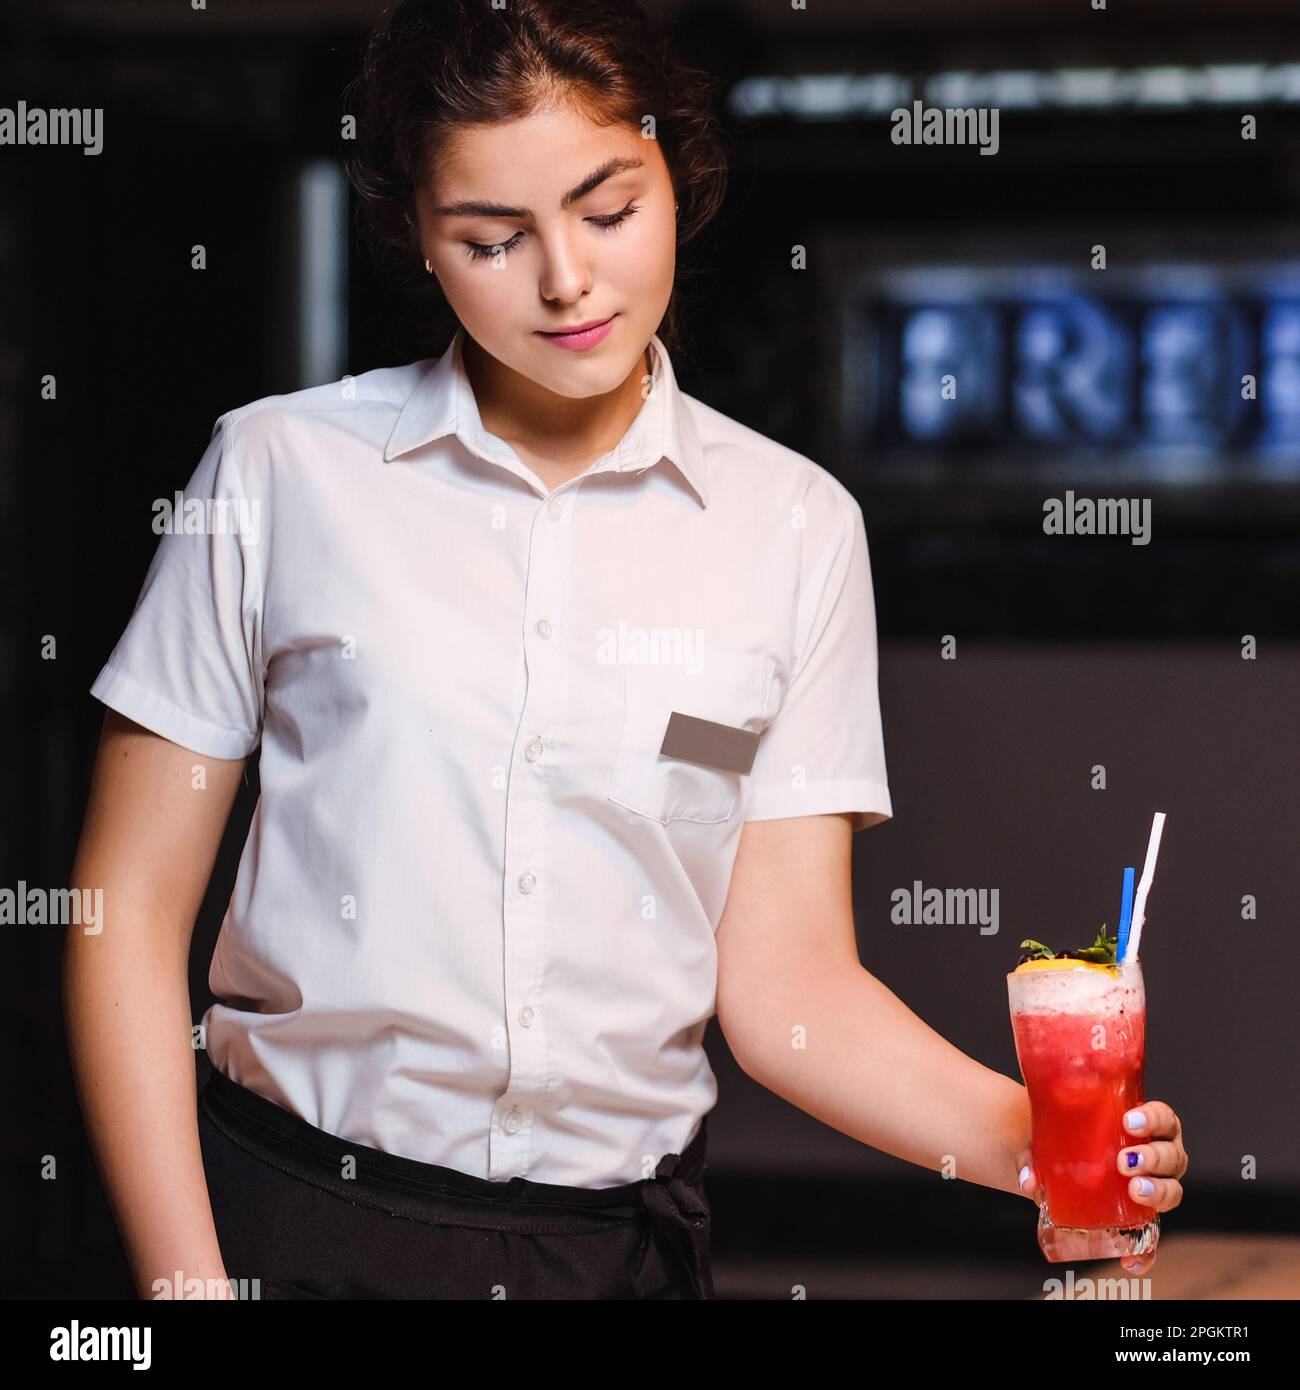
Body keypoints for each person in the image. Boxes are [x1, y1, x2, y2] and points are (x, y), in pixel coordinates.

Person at [62, 0, 1187, 1301]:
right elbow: (122, 912)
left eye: (607, 211)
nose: (564, 280)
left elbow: (787, 987)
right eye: (491, 237)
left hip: (620, 1254)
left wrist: (1041, 1143)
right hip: (302, 1228)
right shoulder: (276, 472)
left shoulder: (793, 528)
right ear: (417, 237)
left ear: (680, 175)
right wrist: (186, 1289)